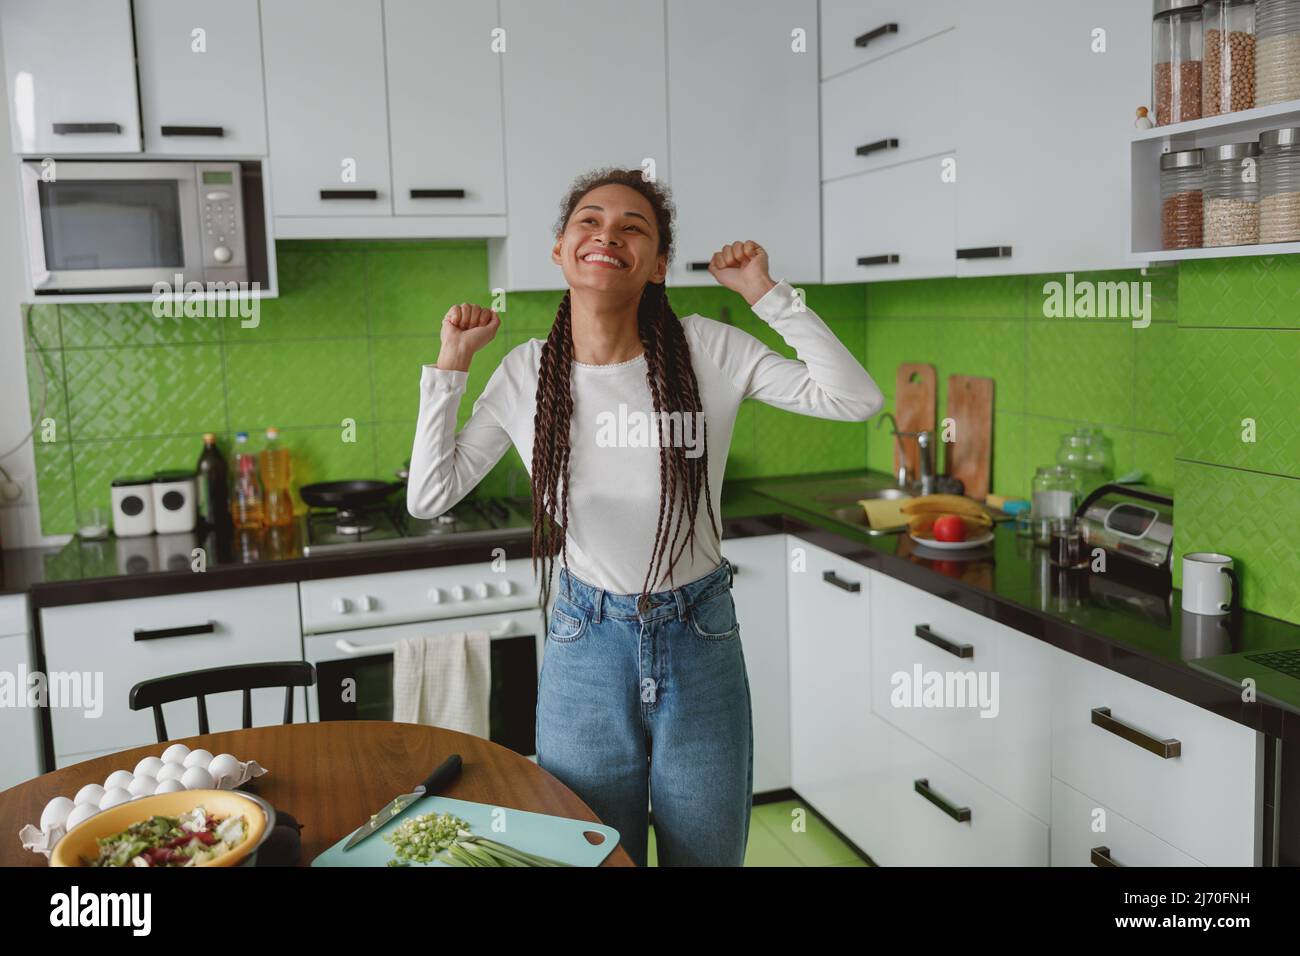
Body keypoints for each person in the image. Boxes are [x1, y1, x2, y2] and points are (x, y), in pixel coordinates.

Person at [408, 167, 883, 866]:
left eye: (634, 227)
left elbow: (855, 399)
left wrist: (766, 294)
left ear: (658, 264)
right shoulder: (523, 371)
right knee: (598, 856)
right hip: (584, 641)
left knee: (706, 857)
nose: (608, 235)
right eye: (590, 222)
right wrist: (450, 367)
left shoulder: (709, 350)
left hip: (698, 634)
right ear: (560, 250)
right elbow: (429, 495)